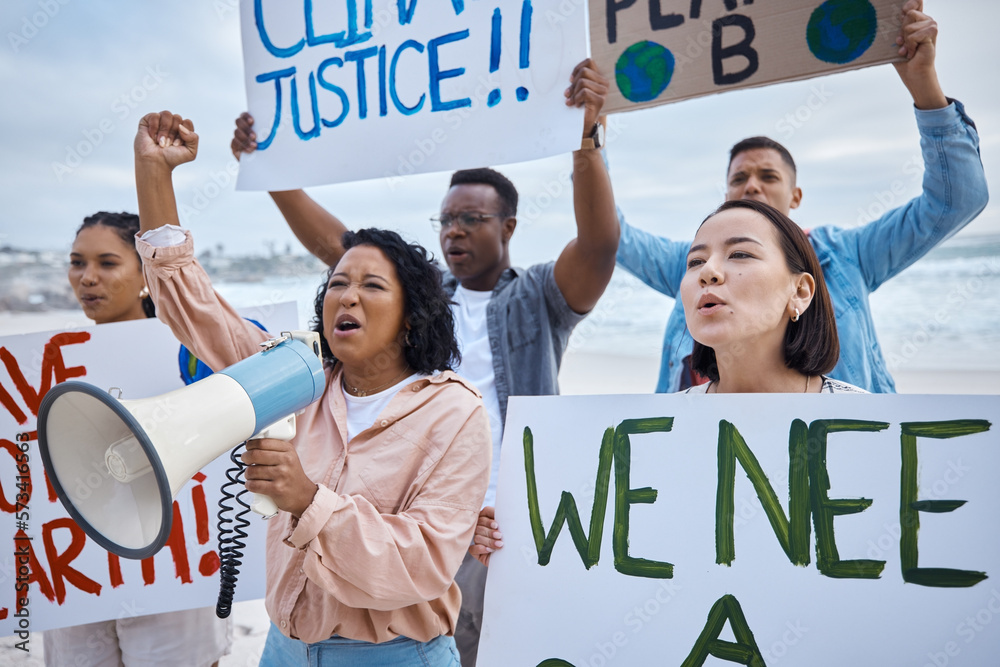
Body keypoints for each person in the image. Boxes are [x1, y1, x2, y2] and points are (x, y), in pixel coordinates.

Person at [230, 57, 620, 666]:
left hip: (504, 522)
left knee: (493, 651)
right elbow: (342, 247)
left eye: (472, 219)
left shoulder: (540, 296)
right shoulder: (416, 296)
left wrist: (586, 141)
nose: (454, 231)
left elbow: (599, 246)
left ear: (509, 226)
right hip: (405, 513)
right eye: (446, 220)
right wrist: (273, 170)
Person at [133, 110, 493, 665]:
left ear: (412, 317)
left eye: (372, 286)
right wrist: (155, 172)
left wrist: (307, 500)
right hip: (284, 649)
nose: (346, 296)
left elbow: (422, 564)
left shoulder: (453, 413)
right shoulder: (293, 376)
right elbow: (195, 310)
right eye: (337, 283)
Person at [614, 0, 989, 393]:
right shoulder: (692, 265)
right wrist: (587, 133)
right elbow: (610, 238)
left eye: (768, 176)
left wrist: (923, 84)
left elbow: (955, 201)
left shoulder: (847, 254)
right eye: (739, 178)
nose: (752, 186)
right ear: (726, 194)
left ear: (795, 196)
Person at [468, 198, 867, 566]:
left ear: (800, 292)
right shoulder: (648, 437)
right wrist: (515, 541)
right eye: (695, 262)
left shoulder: (870, 429)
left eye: (740, 254)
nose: (708, 272)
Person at [46, 211, 232, 667]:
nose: (87, 277)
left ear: (146, 276)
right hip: (77, 569)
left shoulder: (192, 355)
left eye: (107, 263)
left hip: (173, 567)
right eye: (77, 262)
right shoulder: (45, 366)